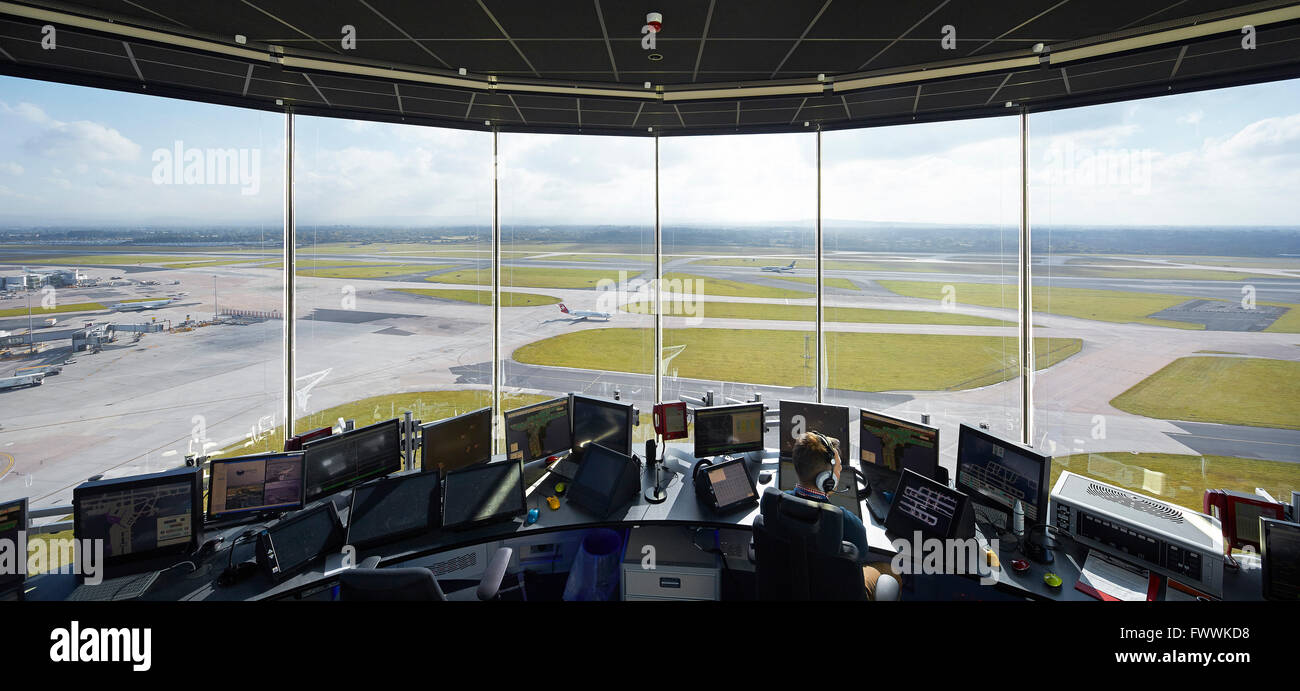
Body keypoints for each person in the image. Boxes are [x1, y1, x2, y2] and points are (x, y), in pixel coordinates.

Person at [788, 431, 890, 600]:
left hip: (790, 588)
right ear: (826, 480)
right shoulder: (845, 521)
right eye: (838, 467)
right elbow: (862, 552)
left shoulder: (774, 504)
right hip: (834, 592)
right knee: (890, 571)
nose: (840, 470)